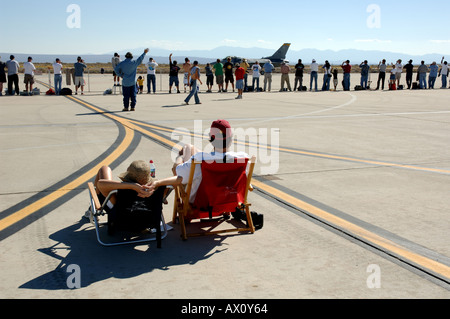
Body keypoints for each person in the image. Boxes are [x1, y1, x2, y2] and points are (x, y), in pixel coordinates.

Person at [173, 119, 249, 203]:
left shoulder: (200, 160)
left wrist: (180, 157)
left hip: (201, 203)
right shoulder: (243, 158)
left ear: (211, 139)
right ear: (230, 139)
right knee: (189, 147)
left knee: (187, 152)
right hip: (229, 200)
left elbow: (177, 173)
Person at [90, 160, 181, 216]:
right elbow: (179, 178)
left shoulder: (119, 192)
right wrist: (157, 183)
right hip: (149, 219)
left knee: (104, 168)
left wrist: (132, 186)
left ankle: (92, 208)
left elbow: (100, 184)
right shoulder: (159, 190)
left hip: (121, 218)